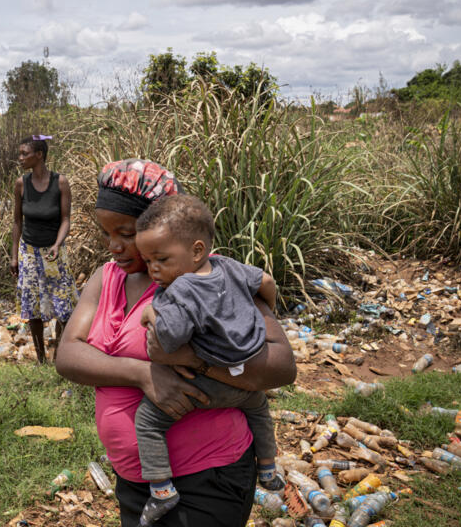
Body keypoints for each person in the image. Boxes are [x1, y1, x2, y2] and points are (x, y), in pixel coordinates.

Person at [55, 159, 296, 527]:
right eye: (107, 234)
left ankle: (265, 467)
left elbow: (281, 366)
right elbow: (68, 354)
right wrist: (142, 373)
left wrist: (196, 361)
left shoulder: (211, 278)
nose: (114, 247)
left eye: (126, 233)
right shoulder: (107, 278)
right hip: (140, 483)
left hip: (208, 477)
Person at [132, 194, 283, 526]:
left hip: (206, 383)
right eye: (147, 261)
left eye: (161, 259)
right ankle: (269, 466)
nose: (153, 269)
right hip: (244, 378)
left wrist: (151, 314)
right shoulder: (228, 266)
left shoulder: (181, 290)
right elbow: (267, 283)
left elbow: (170, 341)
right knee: (258, 408)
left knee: (147, 422)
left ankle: (161, 491)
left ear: (197, 250)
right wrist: (265, 311)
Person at [11, 135, 77, 363]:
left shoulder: (60, 183)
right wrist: (14, 258)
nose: (20, 158)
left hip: (53, 253)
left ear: (39, 155)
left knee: (62, 306)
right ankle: (41, 359)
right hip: (29, 252)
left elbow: (66, 219)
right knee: (33, 308)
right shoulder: (22, 184)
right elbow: (17, 222)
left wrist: (58, 245)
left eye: (24, 153)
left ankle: (60, 354)